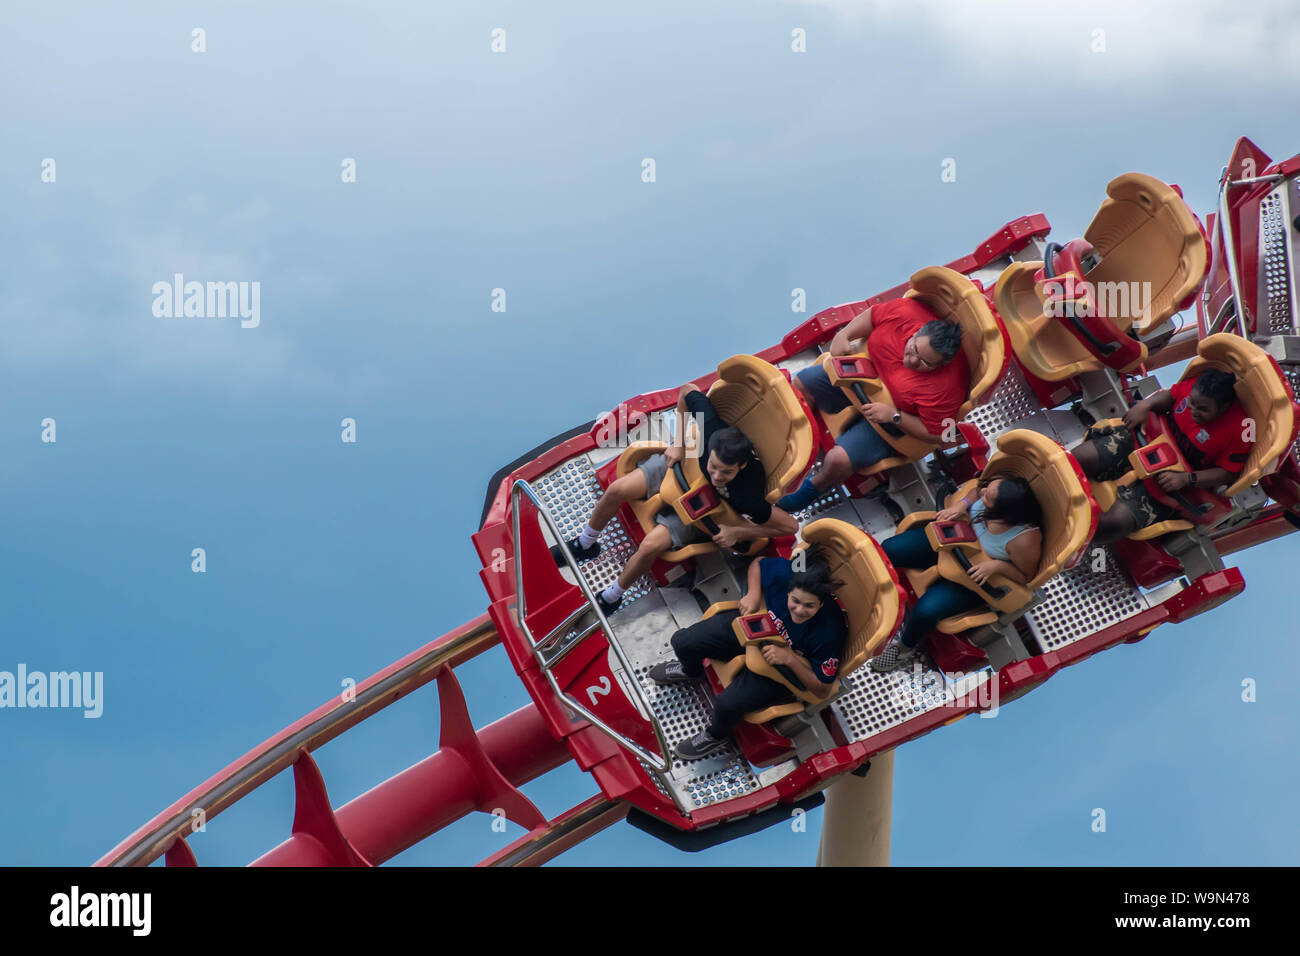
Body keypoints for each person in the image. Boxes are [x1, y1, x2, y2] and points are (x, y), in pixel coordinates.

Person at [552, 383, 798, 615]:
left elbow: (789, 526)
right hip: (680, 467)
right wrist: (679, 443)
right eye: (713, 467)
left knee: (650, 546)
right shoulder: (711, 426)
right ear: (709, 448)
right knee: (617, 490)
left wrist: (738, 532)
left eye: (726, 473)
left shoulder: (748, 494)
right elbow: (686, 392)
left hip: (706, 511)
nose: (716, 476)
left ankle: (613, 595)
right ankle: (585, 543)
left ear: (741, 466)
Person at [649, 548, 847, 759]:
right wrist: (753, 594)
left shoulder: (830, 631)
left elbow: (823, 689)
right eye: (795, 601)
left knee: (726, 706)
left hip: (782, 666)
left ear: (822, 603)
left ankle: (716, 735)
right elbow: (759, 563)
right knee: (682, 642)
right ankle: (691, 670)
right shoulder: (784, 573)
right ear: (788, 590)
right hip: (756, 628)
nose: (799, 610)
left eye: (810, 606)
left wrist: (789, 659)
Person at [779, 298, 968, 512]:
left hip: (889, 423)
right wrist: (844, 335)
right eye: (913, 348)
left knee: (837, 460)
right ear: (917, 333)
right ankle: (790, 442)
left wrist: (894, 416)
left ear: (940, 365)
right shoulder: (905, 312)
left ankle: (813, 488)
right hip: (861, 377)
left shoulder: (947, 388)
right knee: (801, 385)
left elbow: (945, 434)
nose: (912, 360)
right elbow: (871, 315)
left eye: (924, 362)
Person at [870, 475, 1043, 672]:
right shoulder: (992, 491)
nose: (983, 493)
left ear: (1003, 514)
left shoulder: (1024, 540)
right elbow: (977, 489)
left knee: (926, 610)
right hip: (951, 544)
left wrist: (996, 566)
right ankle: (871, 587)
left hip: (971, 580)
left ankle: (904, 648)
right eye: (987, 489)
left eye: (987, 499)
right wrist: (962, 505)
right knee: (890, 549)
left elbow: (1026, 576)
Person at [1071, 369, 1249, 543]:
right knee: (1076, 460)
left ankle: (1072, 538)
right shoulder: (1196, 385)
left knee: (1114, 523)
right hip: (1142, 441)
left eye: (1203, 409)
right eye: (1191, 402)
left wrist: (1187, 479)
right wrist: (1145, 405)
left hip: (1173, 482)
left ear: (1224, 408)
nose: (1193, 410)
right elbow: (1171, 396)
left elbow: (1229, 473)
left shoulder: (1241, 429)